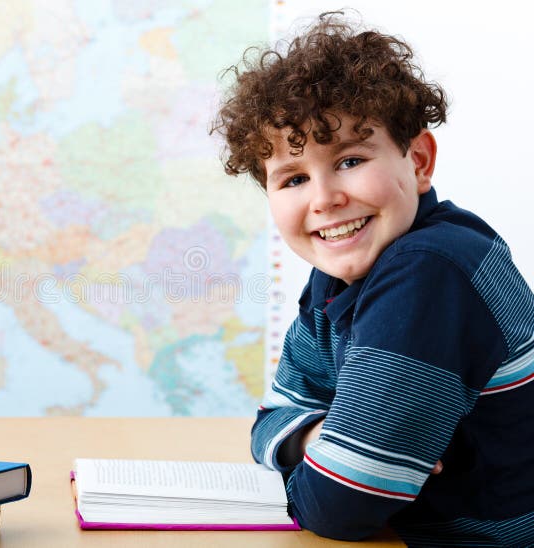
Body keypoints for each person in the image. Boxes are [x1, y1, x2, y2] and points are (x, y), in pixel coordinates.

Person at [212, 12, 534, 545]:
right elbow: (274, 418)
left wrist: (339, 454)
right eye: (293, 177)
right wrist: (322, 435)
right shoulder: (337, 276)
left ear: (420, 161)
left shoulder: (433, 271)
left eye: (350, 159)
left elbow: (341, 506)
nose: (324, 200)